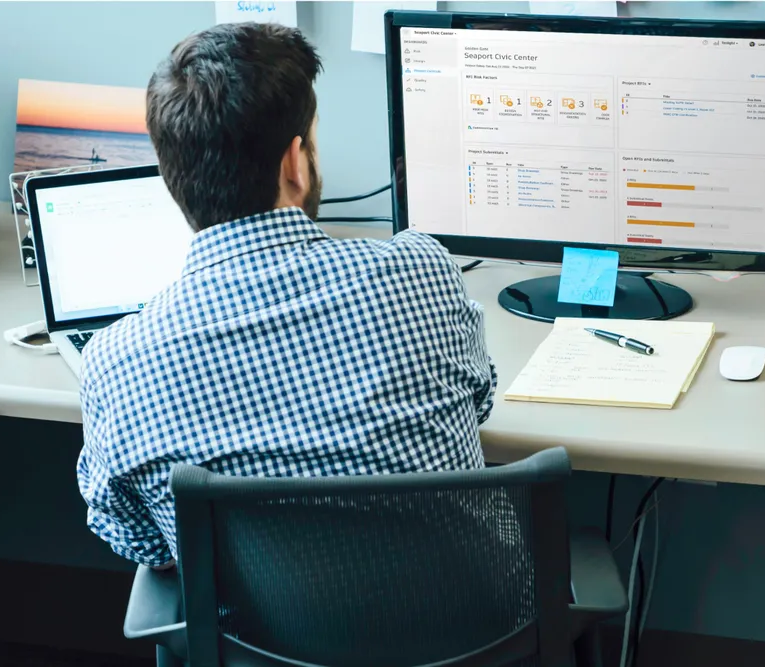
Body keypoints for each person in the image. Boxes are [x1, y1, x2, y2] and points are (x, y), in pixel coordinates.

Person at [75, 23, 497, 569]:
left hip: (255, 651)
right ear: (295, 163)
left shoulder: (114, 364)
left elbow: (144, 542)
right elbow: (477, 400)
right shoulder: (422, 272)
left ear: (171, 176)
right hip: (464, 635)